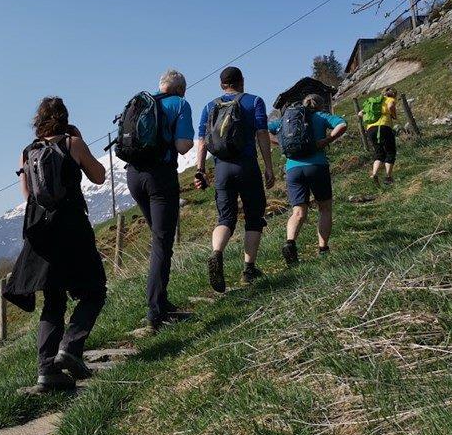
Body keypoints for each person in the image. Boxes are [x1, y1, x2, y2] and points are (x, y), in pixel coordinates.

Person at [4, 96, 108, 389]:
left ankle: (46, 371)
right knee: (95, 290)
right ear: (64, 117)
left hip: (42, 232)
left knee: (53, 301)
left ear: (38, 121)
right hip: (72, 227)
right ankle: (71, 347)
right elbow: (99, 177)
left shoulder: (27, 152)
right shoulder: (72, 143)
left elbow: (27, 195)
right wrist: (80, 142)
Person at [124, 69, 196, 332]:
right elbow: (183, 146)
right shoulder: (180, 104)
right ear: (180, 89)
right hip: (159, 177)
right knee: (162, 242)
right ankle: (156, 312)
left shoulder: (140, 102)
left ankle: (162, 302)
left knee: (159, 238)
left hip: (133, 176)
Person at [193, 66, 275, 291]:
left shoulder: (209, 106)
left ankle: (216, 252)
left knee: (225, 218)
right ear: (242, 81)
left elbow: (202, 141)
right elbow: (262, 134)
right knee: (253, 217)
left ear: (222, 85)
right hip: (247, 166)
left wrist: (200, 170)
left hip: (222, 169)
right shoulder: (254, 101)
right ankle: (248, 270)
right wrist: (268, 166)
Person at [268, 94, 348, 261]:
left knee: (298, 211)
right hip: (317, 166)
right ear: (320, 105)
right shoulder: (321, 116)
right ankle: (323, 248)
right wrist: (327, 140)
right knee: (324, 208)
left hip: (293, 168)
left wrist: (280, 143)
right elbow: (342, 124)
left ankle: (290, 243)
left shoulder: (287, 118)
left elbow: (264, 130)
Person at [360, 87, 398, 185]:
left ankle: (374, 174)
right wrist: (394, 115)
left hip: (370, 129)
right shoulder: (390, 99)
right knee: (390, 151)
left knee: (379, 152)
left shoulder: (374, 101)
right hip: (384, 127)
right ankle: (388, 177)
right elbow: (390, 106)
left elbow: (360, 114)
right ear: (394, 94)